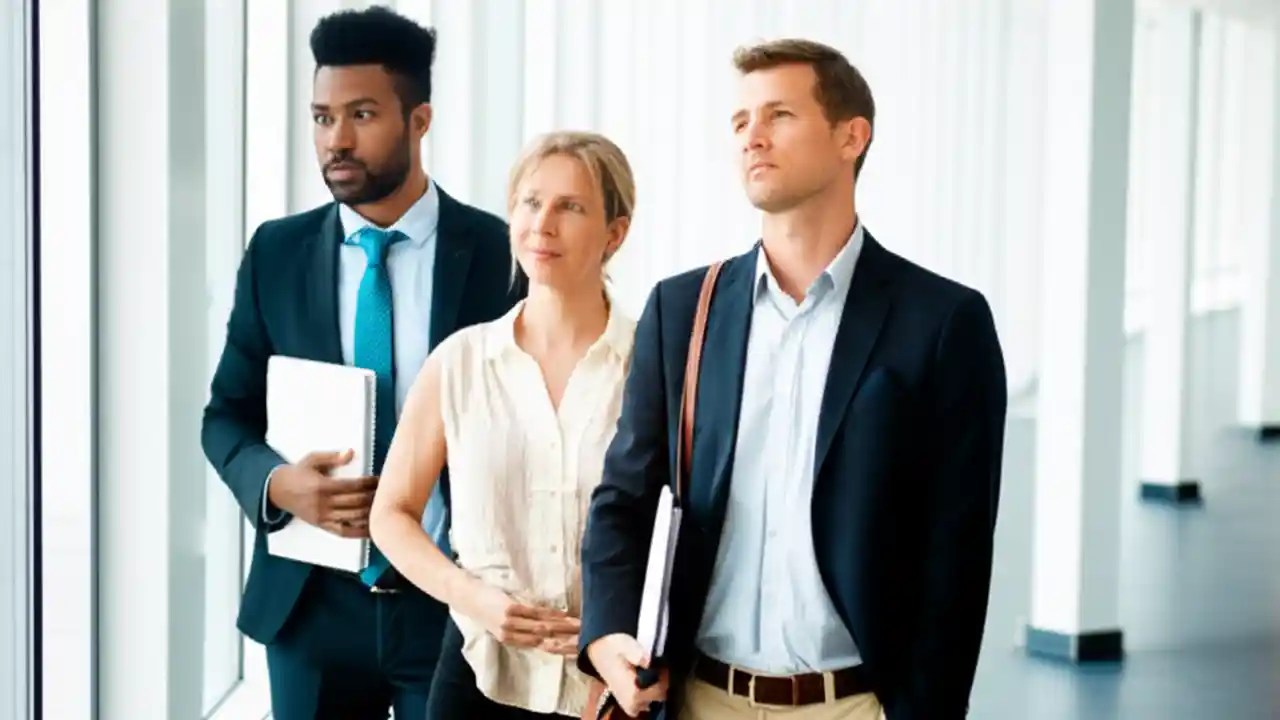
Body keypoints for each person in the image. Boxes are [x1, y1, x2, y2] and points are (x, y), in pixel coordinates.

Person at [578, 39, 1008, 720]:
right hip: (699, 699)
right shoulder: (682, 312)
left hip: (855, 705)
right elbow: (623, 499)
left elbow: (956, 554)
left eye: (778, 115)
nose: (752, 136)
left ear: (850, 137)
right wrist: (605, 635)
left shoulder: (943, 323)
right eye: (740, 121)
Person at [200, 7, 522, 719]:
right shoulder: (276, 253)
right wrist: (278, 485)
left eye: (362, 115)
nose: (336, 140)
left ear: (419, 120)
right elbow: (225, 417)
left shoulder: (499, 255)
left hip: (448, 603)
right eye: (322, 118)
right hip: (310, 607)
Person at [369, 131, 639, 720]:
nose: (543, 224)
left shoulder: (651, 366)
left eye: (571, 207)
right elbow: (390, 515)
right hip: (478, 673)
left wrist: (621, 629)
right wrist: (476, 599)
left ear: (615, 233)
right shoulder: (459, 362)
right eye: (531, 202)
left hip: (609, 682)